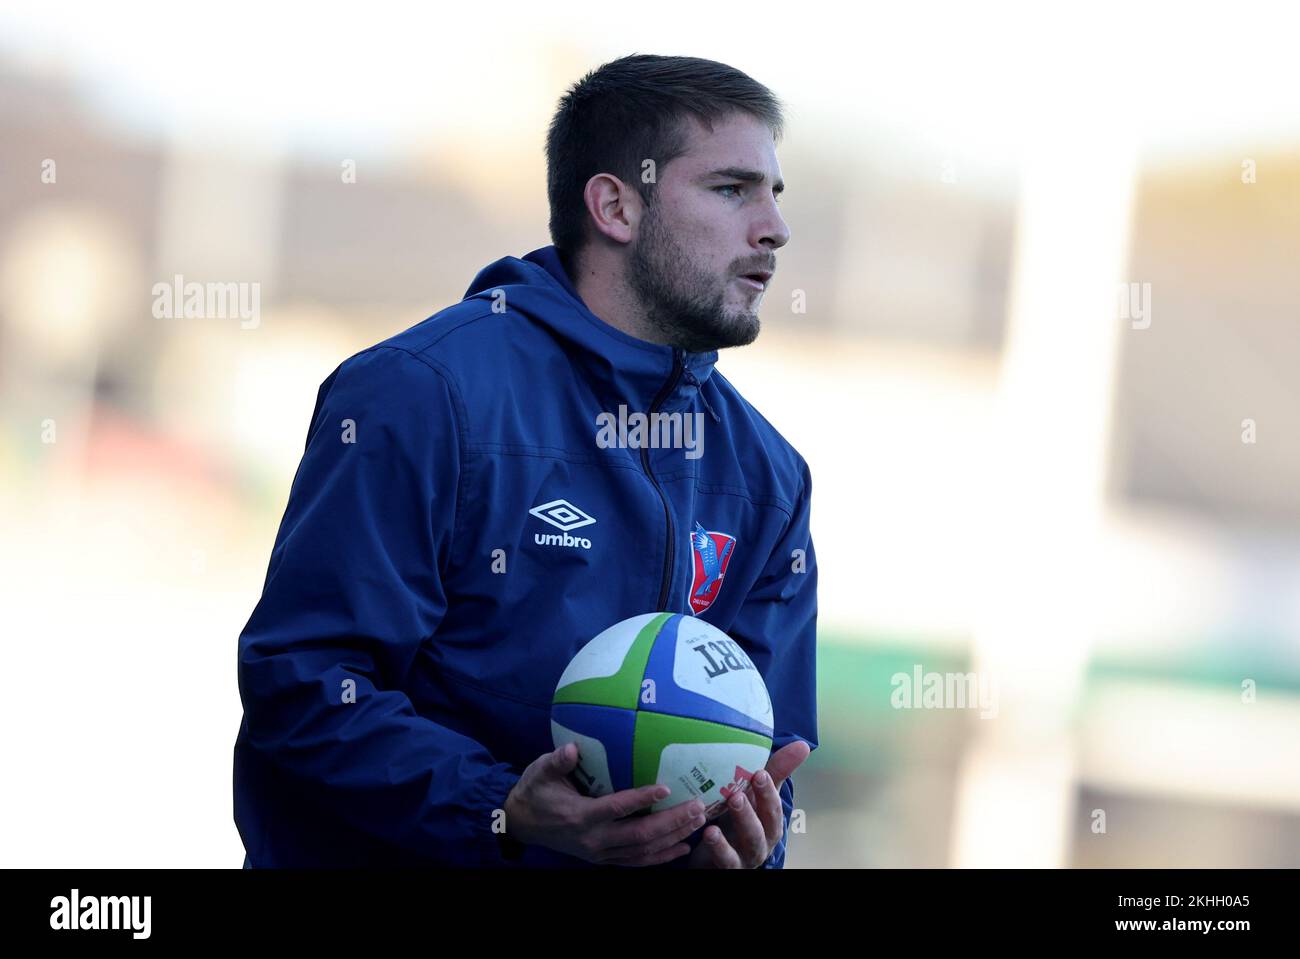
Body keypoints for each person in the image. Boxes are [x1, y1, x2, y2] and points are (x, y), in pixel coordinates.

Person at [233, 53, 818, 869]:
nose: (774, 228)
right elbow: (302, 684)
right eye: (732, 190)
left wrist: (742, 848)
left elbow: (766, 754)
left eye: (774, 195)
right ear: (615, 205)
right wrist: (501, 811)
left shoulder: (766, 478)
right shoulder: (424, 394)